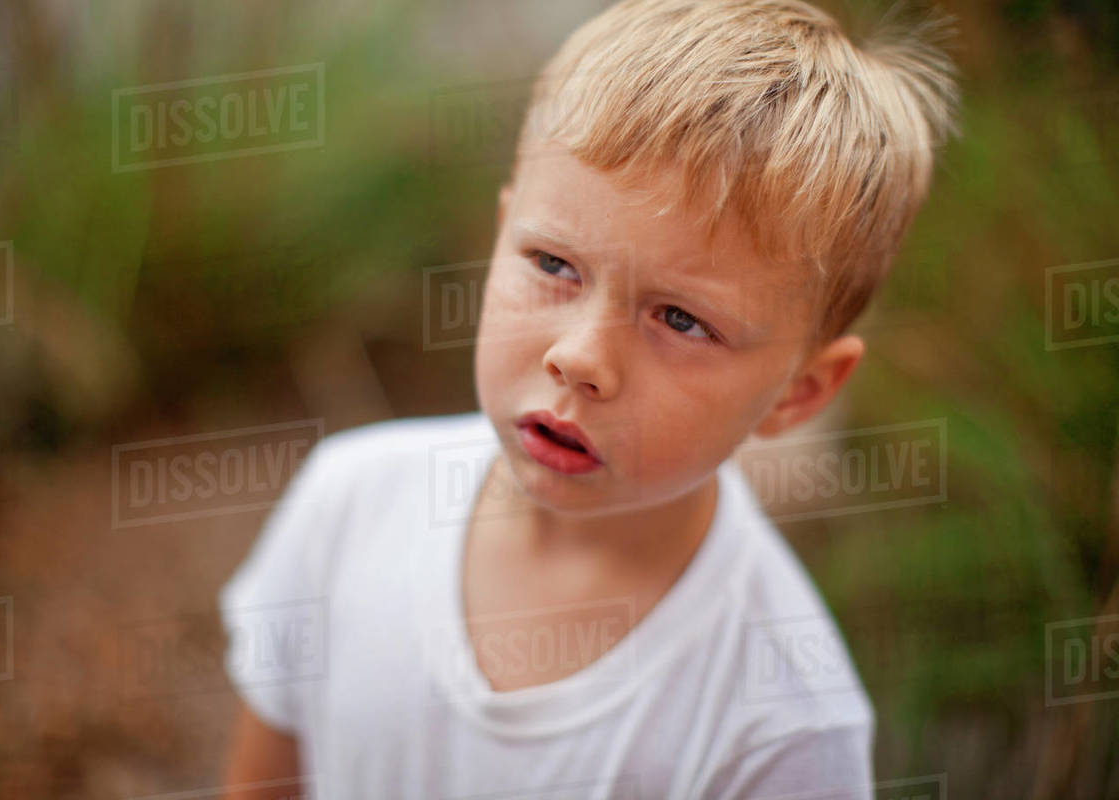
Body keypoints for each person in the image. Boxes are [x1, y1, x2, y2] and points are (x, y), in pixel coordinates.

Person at [219, 1, 957, 797]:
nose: (579, 357)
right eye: (553, 265)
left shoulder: (783, 722)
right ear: (503, 235)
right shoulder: (349, 504)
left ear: (799, 393)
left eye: (681, 319)